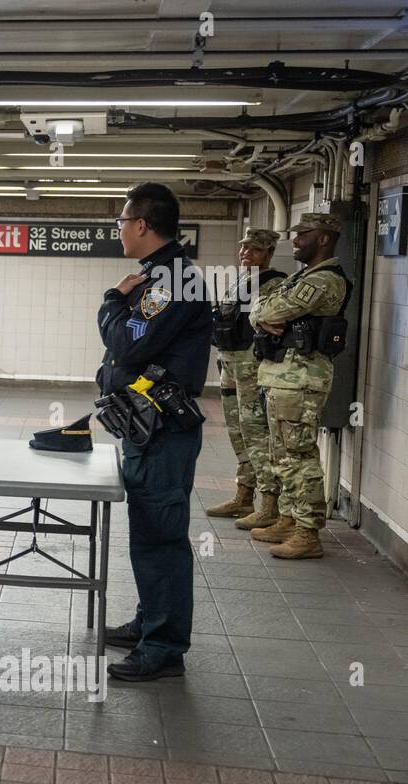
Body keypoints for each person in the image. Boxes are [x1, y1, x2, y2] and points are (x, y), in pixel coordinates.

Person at [99, 182, 211, 682]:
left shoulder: (173, 281)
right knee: (149, 532)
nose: (119, 230)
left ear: (141, 224)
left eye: (122, 221)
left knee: (161, 538)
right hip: (149, 428)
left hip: (163, 431)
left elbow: (126, 343)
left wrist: (111, 301)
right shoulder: (160, 276)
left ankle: (164, 648)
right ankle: (151, 622)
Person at [247, 212, 350, 560]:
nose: (296, 240)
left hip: (302, 379)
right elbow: (260, 309)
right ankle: (289, 519)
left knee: (298, 455)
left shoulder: (324, 280)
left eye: (303, 234)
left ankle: (308, 532)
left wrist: (266, 314)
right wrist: (263, 315)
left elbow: (274, 307)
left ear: (323, 238)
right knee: (282, 453)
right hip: (283, 377)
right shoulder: (302, 276)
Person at [205, 228, 287, 522]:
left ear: (268, 253)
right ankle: (244, 496)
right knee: (236, 430)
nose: (245, 254)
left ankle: (268, 505)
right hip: (229, 364)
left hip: (251, 367)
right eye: (243, 249)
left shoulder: (275, 283)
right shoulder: (242, 280)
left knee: (255, 431)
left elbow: (273, 321)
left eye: (254, 250)